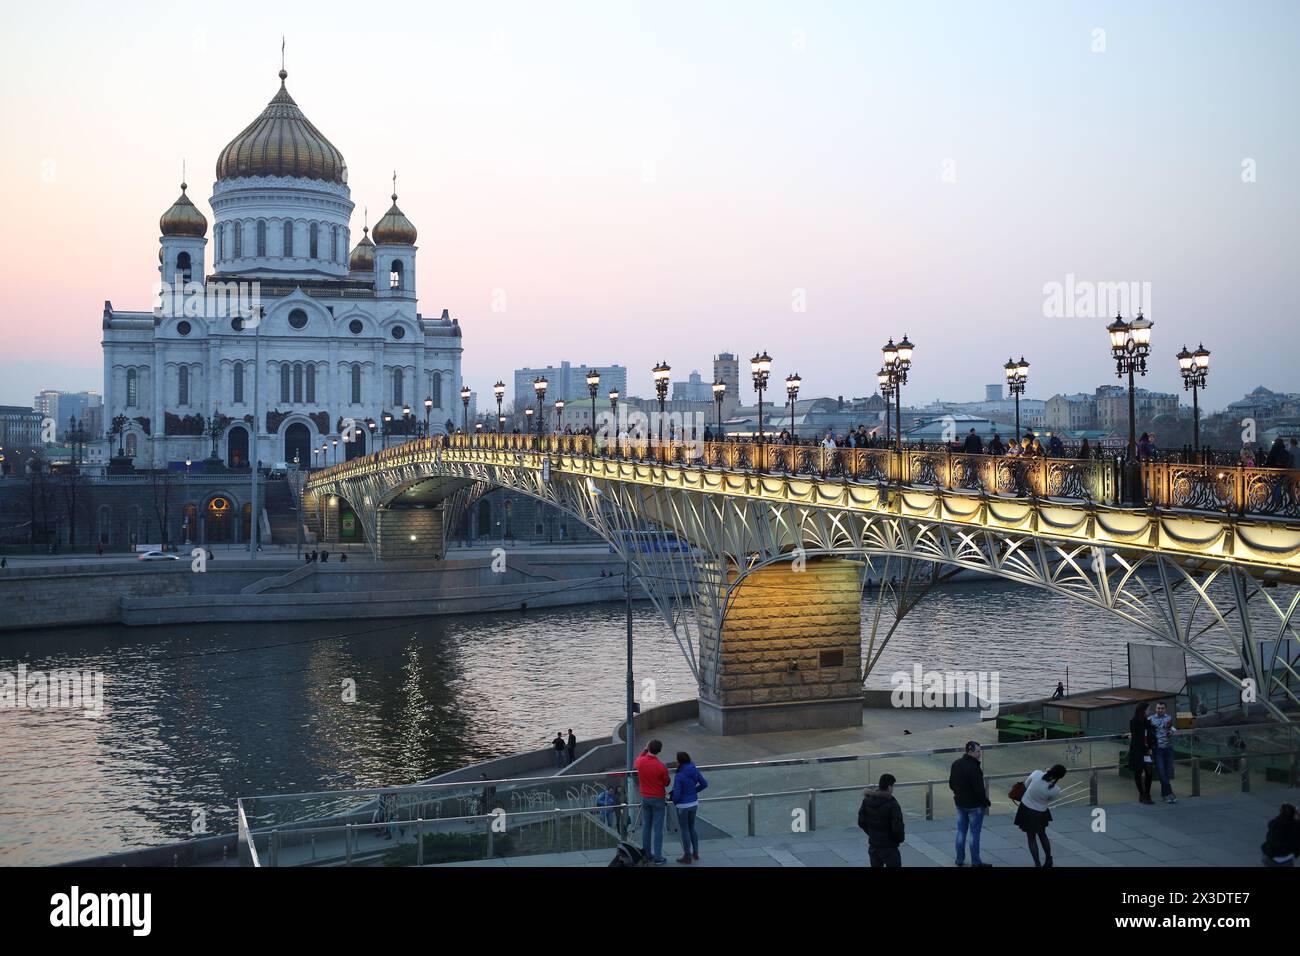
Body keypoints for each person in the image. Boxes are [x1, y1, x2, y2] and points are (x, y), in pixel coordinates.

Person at [949, 741, 992, 867]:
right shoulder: (975, 768)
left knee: (961, 831)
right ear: (970, 752)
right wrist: (985, 802)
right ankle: (975, 861)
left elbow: (951, 784)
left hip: (960, 803)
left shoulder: (956, 764)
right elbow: (979, 790)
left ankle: (959, 859)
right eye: (978, 751)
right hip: (974, 806)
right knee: (974, 833)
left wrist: (959, 794)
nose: (980, 754)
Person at [1015, 764, 1067, 867]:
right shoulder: (1056, 790)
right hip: (1040, 812)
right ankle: (1048, 860)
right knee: (1042, 835)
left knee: (1031, 838)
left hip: (1026, 808)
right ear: (1060, 777)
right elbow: (1048, 799)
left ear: (1051, 769)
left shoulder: (1037, 774)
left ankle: (1037, 863)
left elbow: (1026, 785)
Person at [634, 739, 671, 865]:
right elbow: (666, 782)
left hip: (645, 798)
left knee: (646, 827)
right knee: (658, 829)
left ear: (648, 748)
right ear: (659, 750)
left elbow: (637, 760)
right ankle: (658, 857)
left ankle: (647, 854)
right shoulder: (661, 766)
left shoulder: (640, 762)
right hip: (658, 799)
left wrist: (644, 750)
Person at [857, 773, 905, 867]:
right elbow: (897, 826)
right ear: (889, 787)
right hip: (889, 847)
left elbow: (861, 821)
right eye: (892, 786)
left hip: (874, 846)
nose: (893, 789)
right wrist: (898, 840)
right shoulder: (892, 804)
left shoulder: (867, 800)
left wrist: (872, 833)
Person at [670, 750, 708, 863]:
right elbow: (704, 784)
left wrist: (674, 800)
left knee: (685, 830)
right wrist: (693, 792)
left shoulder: (680, 775)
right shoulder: (694, 770)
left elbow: (677, 795)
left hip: (683, 805)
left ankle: (687, 856)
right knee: (692, 828)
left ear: (680, 762)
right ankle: (695, 853)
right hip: (694, 803)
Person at [1148, 701, 1177, 803]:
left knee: (1168, 772)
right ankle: (1169, 793)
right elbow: (1146, 732)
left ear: (1165, 709)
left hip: (1168, 748)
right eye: (1158, 708)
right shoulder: (1150, 719)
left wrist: (1172, 732)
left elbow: (1171, 728)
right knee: (1161, 772)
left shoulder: (1169, 718)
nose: (1160, 710)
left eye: (1162, 708)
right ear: (1156, 709)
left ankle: (1165, 794)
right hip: (1158, 749)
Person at [1127, 701, 1155, 804]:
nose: (1150, 711)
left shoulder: (1147, 721)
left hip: (1146, 750)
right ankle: (1142, 794)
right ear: (1143, 710)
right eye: (1148, 709)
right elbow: (1137, 738)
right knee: (1138, 772)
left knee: (1149, 772)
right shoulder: (1134, 722)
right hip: (1138, 751)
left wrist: (1150, 747)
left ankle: (1147, 794)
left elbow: (1150, 735)